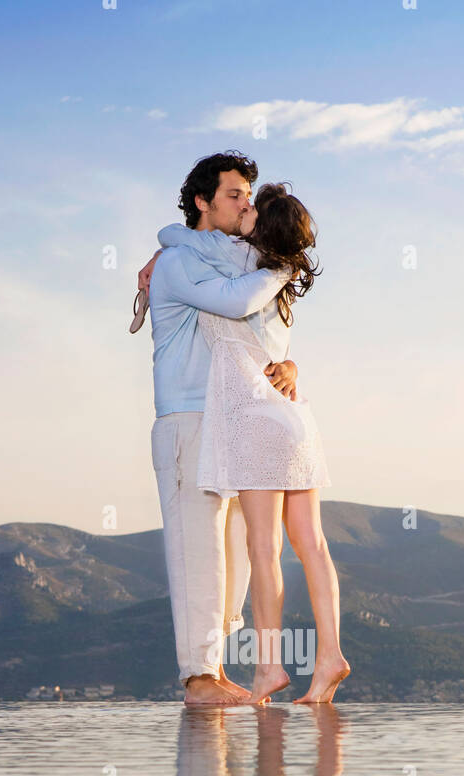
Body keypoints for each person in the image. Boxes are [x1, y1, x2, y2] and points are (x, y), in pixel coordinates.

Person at [154, 183, 350, 704]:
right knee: (314, 544)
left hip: (257, 423)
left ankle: (268, 668)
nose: (245, 210)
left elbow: (219, 281)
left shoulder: (244, 278)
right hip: (297, 418)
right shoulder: (281, 287)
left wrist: (164, 247)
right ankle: (329, 654)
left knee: (263, 549)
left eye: (251, 206)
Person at [136, 152, 298, 708]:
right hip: (187, 418)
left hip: (233, 419)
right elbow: (235, 302)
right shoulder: (181, 263)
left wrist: (291, 366)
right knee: (195, 549)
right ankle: (198, 678)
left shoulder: (229, 258)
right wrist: (286, 264)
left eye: (249, 195)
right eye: (234, 194)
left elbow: (261, 333)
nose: (245, 204)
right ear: (203, 201)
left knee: (237, 554)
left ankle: (217, 668)